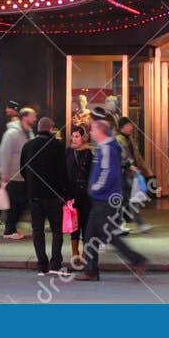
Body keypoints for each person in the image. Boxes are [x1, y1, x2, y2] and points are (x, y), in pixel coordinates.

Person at [77, 118, 148, 280]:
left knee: (105, 235)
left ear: (100, 131)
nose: (91, 133)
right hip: (104, 198)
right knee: (91, 235)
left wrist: (94, 188)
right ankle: (91, 271)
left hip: (105, 199)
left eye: (93, 130)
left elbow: (108, 173)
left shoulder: (107, 148)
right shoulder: (107, 147)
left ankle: (136, 259)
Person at [22, 116, 70, 275]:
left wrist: (32, 184)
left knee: (37, 230)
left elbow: (22, 170)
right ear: (51, 129)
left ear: (38, 129)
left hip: (34, 195)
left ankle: (41, 265)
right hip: (54, 195)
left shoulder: (28, 146)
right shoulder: (57, 146)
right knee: (57, 230)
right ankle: (55, 264)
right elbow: (63, 172)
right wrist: (65, 193)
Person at [0, 105, 33, 239]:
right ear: (25, 117)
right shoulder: (12, 133)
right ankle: (9, 231)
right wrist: (4, 174)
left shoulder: (29, 132)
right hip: (14, 175)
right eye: (32, 116)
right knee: (14, 204)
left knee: (21, 203)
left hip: (25, 175)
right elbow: (4, 153)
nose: (35, 118)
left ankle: (12, 228)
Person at [115, 115, 155, 233]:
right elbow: (121, 158)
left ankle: (131, 224)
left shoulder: (130, 139)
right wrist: (129, 166)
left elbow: (138, 156)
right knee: (128, 200)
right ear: (122, 128)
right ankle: (128, 224)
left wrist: (146, 169)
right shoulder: (118, 140)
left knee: (132, 200)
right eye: (128, 125)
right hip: (124, 174)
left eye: (131, 125)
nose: (131, 127)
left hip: (133, 174)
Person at [65, 125, 93, 263]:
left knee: (85, 223)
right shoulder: (68, 152)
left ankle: (85, 253)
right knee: (74, 224)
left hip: (85, 194)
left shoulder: (89, 153)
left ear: (83, 138)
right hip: (72, 193)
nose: (74, 139)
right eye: (73, 136)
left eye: (77, 136)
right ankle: (75, 252)